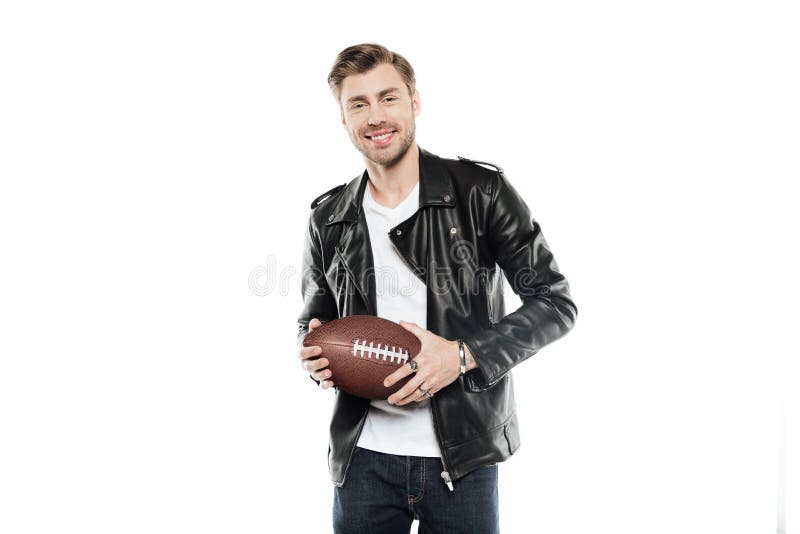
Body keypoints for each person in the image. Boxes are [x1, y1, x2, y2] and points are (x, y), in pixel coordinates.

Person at [296, 43, 577, 534]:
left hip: (463, 459)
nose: (376, 116)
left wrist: (462, 354)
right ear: (343, 119)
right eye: (358, 104)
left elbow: (555, 301)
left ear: (414, 102)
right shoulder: (329, 217)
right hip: (363, 461)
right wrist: (314, 355)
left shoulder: (480, 192)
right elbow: (313, 321)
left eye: (388, 98)